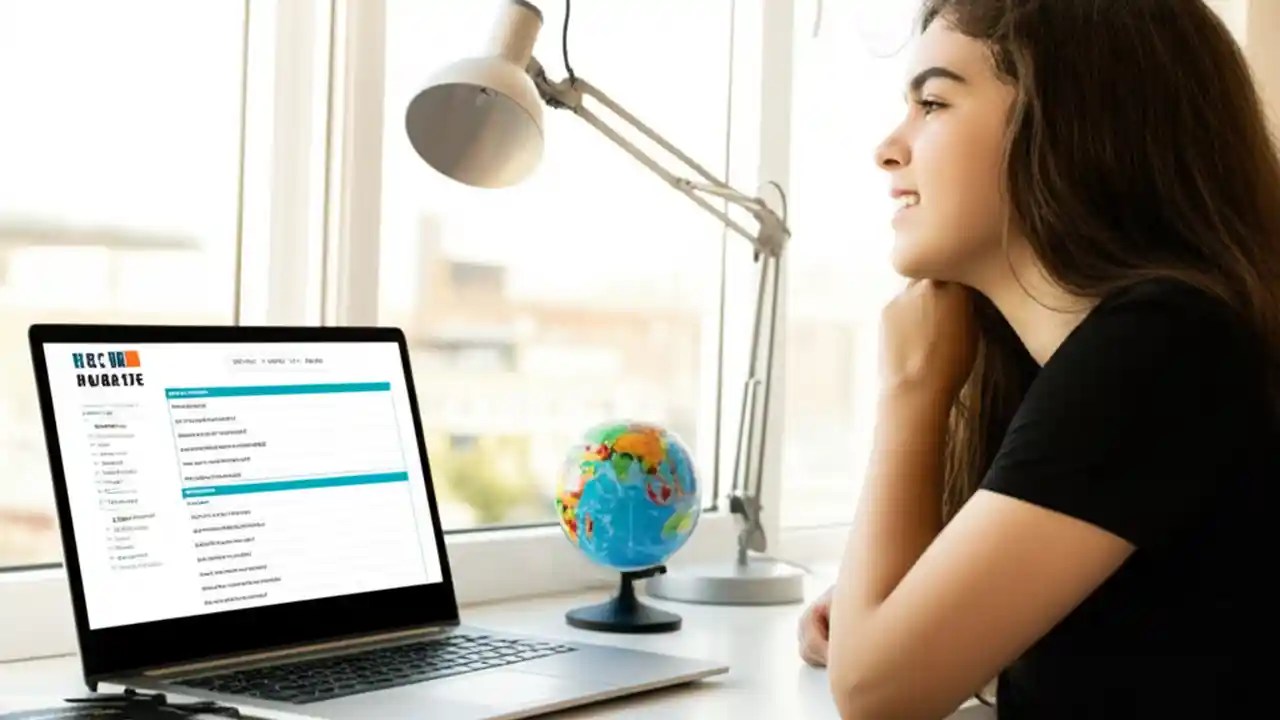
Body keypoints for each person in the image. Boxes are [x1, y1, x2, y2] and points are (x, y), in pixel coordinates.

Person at [796, 0, 1280, 718]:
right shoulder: (1129, 350)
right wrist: (905, 606)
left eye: (932, 102)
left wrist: (911, 386)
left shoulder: (1159, 349)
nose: (888, 148)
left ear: (1071, 122)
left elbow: (877, 695)